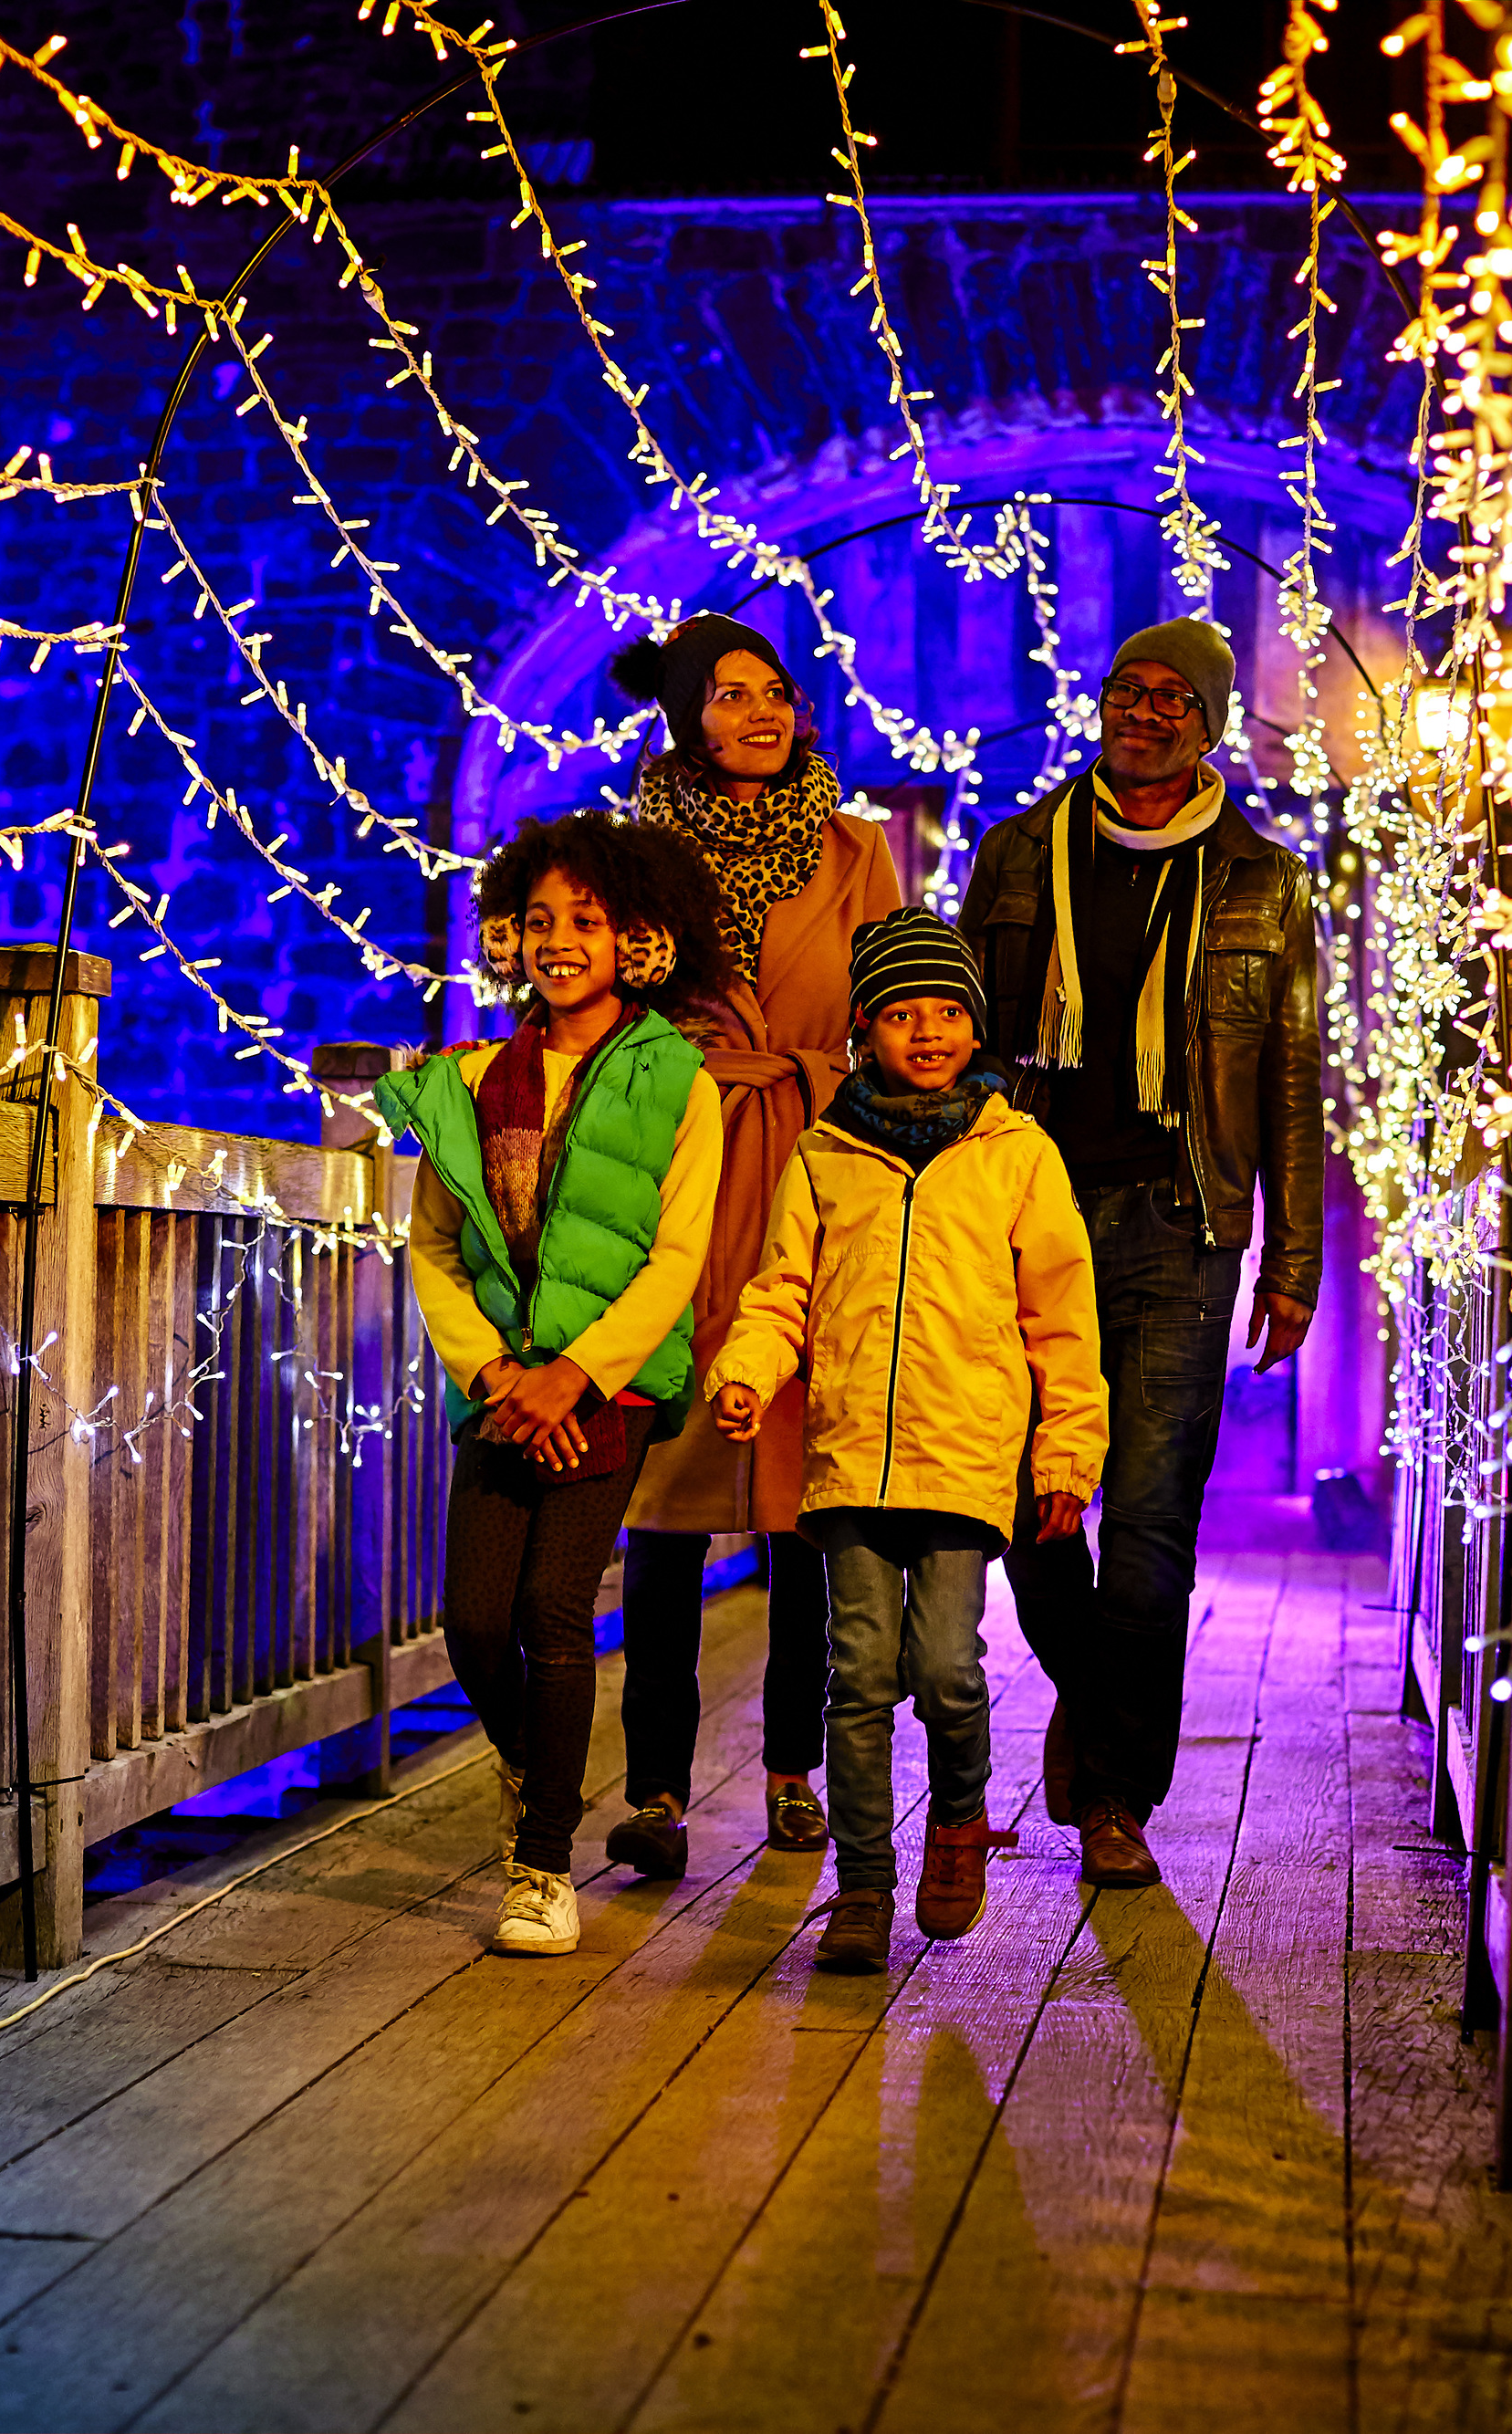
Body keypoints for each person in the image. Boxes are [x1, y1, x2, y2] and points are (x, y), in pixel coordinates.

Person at [954, 618, 1328, 1891]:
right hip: (1028, 1213)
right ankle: (1101, 1694)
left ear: (1210, 725)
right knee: (1026, 1497)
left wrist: (1293, 1261)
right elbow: (961, 1035)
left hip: (1181, 1218)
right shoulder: (1018, 852)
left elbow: (1291, 1081)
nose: (1146, 711)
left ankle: (1116, 1796)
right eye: (1130, 688)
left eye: (1176, 697)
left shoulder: (1265, 881)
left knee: (1152, 1513)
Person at [712, 908, 1107, 1973]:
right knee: (857, 1678)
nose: (925, 1031)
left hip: (965, 1456)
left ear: (974, 1028)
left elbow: (1061, 1318)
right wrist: (747, 1372)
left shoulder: (1015, 1155)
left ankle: (959, 1821)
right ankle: (863, 1889)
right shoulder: (825, 1153)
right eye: (899, 1013)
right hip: (849, 1459)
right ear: (863, 1032)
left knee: (945, 1669)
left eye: (944, 1012)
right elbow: (781, 1289)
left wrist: (1066, 1457)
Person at [373, 812, 733, 1958]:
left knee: (552, 1612)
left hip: (606, 1391)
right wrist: (495, 1372)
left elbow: (677, 1256)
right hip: (499, 1386)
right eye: (539, 921)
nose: (560, 940)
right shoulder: (470, 1082)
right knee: (475, 1622)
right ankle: (538, 1771)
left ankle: (541, 1869)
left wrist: (575, 1374)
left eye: (587, 920)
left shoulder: (680, 1084)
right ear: (507, 938)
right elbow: (436, 1246)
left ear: (637, 939)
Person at [605, 611, 905, 1878]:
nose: (761, 710)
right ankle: (658, 1788)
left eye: (773, 689)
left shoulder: (854, 848)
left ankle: (793, 1768)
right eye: (729, 695)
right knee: (664, 1504)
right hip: (672, 1173)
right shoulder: (632, 857)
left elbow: (892, 1011)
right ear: (686, 715)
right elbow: (590, 1008)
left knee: (804, 1504)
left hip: (815, 1169)